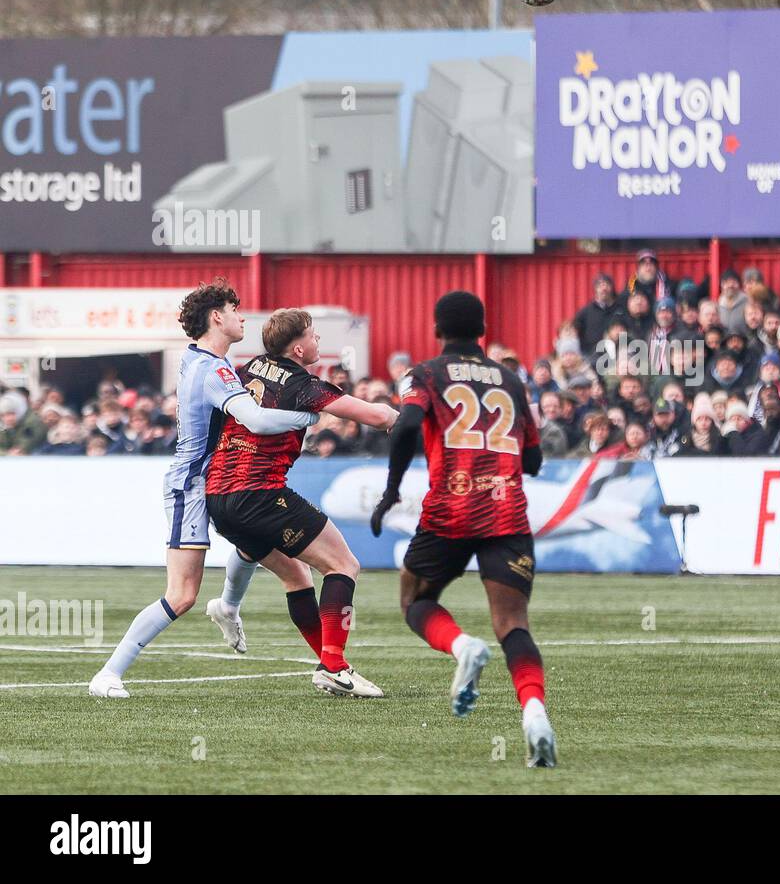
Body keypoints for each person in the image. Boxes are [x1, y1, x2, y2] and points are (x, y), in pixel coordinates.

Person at [90, 280, 323, 700]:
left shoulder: (203, 360)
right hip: (191, 487)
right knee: (181, 596)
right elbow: (258, 421)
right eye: (236, 310)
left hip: (218, 483)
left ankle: (229, 606)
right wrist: (310, 418)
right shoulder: (212, 369)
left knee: (264, 549)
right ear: (217, 317)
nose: (243, 318)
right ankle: (108, 674)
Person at [370, 291, 556, 768]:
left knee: (414, 600)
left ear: (437, 329)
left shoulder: (426, 375)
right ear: (483, 329)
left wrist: (391, 492)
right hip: (505, 513)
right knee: (513, 624)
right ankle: (534, 714)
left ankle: (462, 646)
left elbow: (407, 424)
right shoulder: (512, 380)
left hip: (449, 512)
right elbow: (533, 459)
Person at [199, 309, 399, 697]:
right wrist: (405, 415)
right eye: (313, 335)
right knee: (343, 565)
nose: (318, 341)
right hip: (257, 493)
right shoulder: (301, 384)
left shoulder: (251, 367)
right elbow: (374, 416)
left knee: (296, 577)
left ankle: (331, 665)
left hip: (219, 498)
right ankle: (334, 667)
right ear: (297, 347)